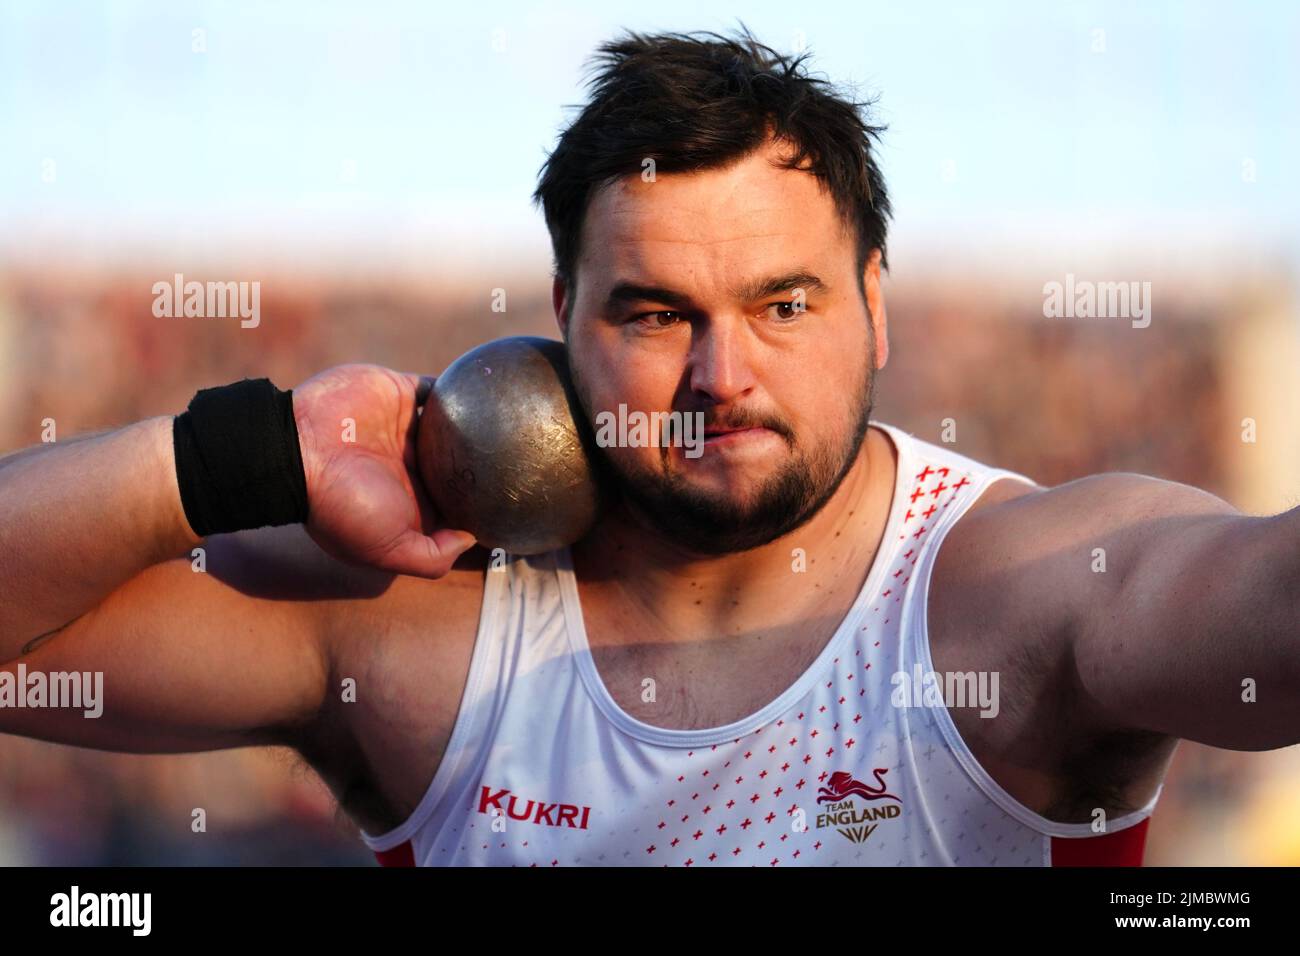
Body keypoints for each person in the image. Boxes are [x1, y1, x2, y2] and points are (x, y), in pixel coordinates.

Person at [2, 28, 1295, 867]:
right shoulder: (411, 632)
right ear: (561, 318)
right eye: (657, 311)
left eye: (784, 305)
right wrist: (241, 457)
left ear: (877, 303)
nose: (722, 378)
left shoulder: (1026, 596)